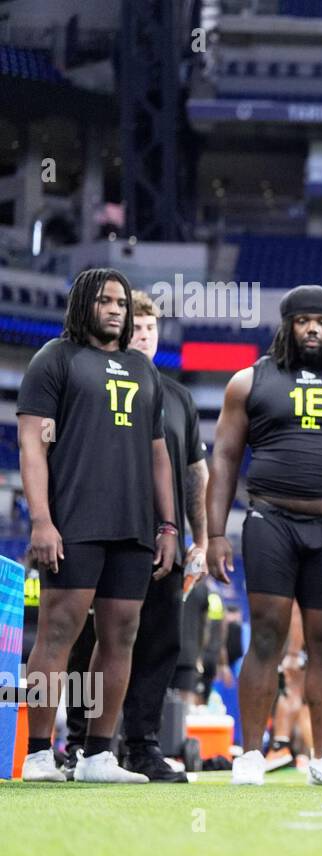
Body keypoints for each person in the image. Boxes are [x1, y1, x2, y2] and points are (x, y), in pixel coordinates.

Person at [206, 285, 322, 787]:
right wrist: (216, 533)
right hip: (270, 522)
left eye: (321, 321)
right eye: (303, 320)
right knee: (266, 637)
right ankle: (248, 754)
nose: (312, 328)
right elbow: (222, 459)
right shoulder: (250, 381)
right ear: (286, 326)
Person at [17, 268, 177, 783]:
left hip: (133, 526)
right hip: (74, 521)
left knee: (121, 636)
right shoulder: (55, 359)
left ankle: (97, 755)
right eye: (105, 301)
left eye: (121, 303)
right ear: (84, 304)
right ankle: (39, 753)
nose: (115, 310)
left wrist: (169, 526)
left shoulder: (143, 370)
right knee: (58, 631)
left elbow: (159, 456)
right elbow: (31, 446)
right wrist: (42, 519)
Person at [62, 290, 208, 782]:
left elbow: (196, 475)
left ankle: (141, 745)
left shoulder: (179, 397)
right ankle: (80, 743)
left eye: (150, 330)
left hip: (162, 539)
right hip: (98, 529)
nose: (143, 336)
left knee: (158, 643)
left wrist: (200, 541)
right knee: (88, 642)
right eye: (136, 328)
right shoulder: (84, 378)